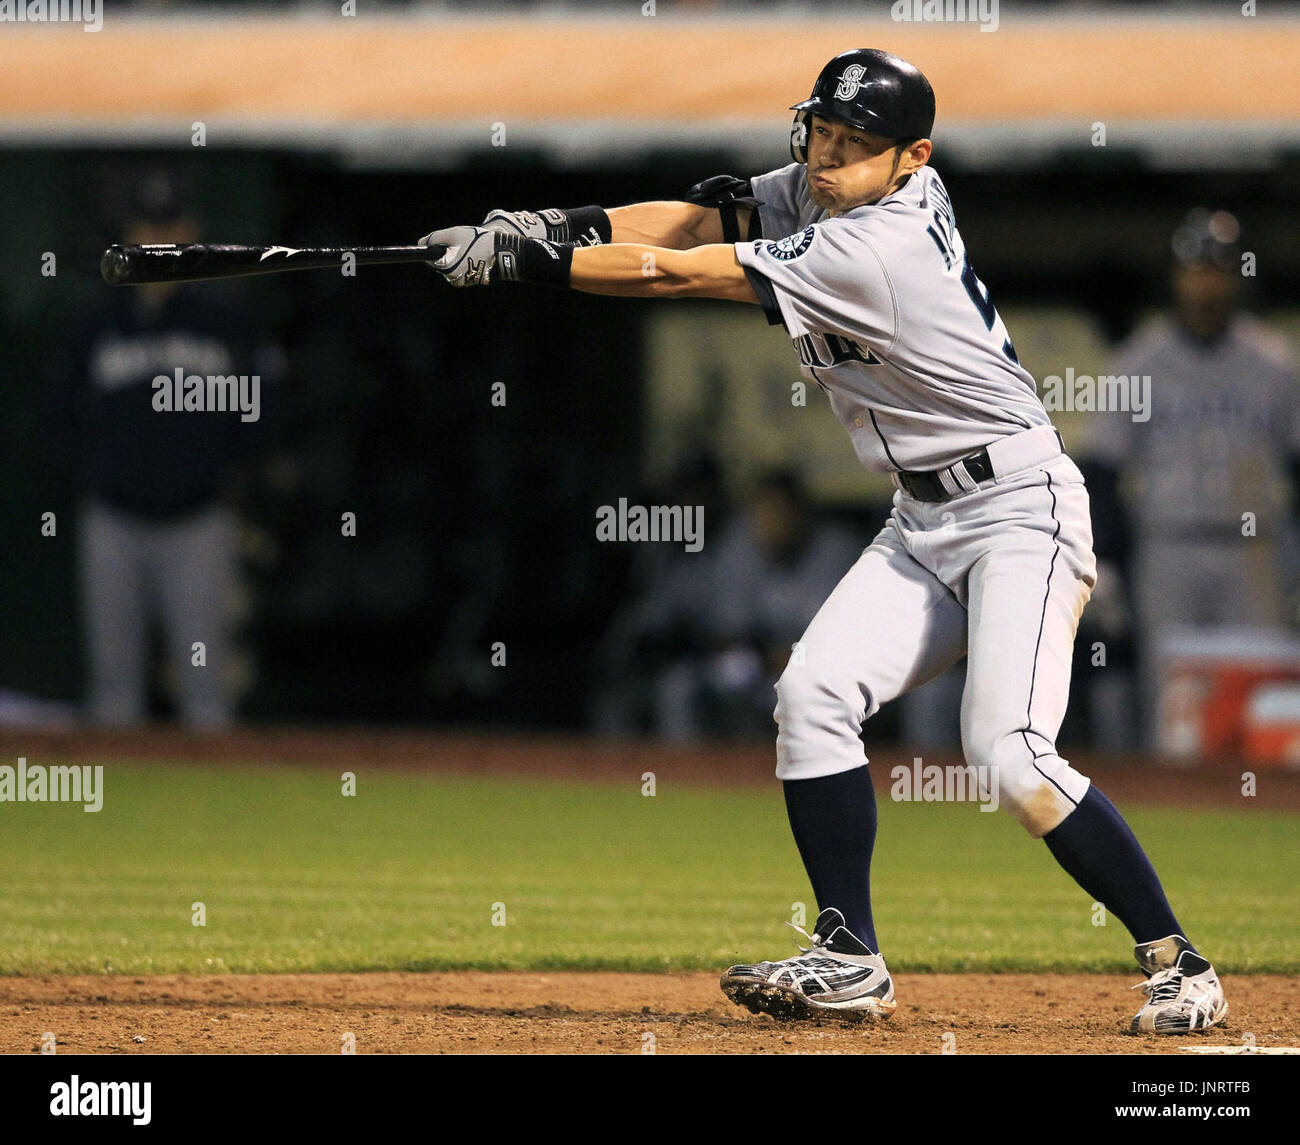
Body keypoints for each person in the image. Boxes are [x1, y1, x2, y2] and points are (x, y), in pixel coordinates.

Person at [418, 49, 1227, 1035]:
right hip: (924, 517)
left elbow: (680, 271)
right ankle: (849, 956)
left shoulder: (877, 242)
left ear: (911, 158)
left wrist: (531, 261)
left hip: (1019, 509)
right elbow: (694, 218)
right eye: (823, 135)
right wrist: (553, 226)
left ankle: (1177, 960)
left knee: (1008, 754)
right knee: (811, 692)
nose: (829, 159)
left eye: (856, 146)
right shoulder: (829, 188)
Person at [44, 171, 280, 728]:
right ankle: (110, 815)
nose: (159, 240)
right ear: (129, 233)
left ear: (191, 231)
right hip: (112, 520)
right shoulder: (93, 319)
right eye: (149, 227)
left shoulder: (226, 316)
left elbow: (264, 415)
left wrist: (230, 480)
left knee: (206, 697)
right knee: (113, 697)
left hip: (200, 522)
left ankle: (219, 815)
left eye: (169, 226)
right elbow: (56, 415)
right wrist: (98, 473)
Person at [1082, 209, 1300, 751]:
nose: (1206, 281)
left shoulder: (1274, 361)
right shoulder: (1140, 361)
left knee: (1259, 698)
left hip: (1253, 553)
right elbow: (1103, 470)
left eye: (1218, 269)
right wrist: (1102, 560)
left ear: (1235, 276)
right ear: (1176, 276)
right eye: (1195, 269)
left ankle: (1257, 819)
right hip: (1168, 550)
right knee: (1171, 704)